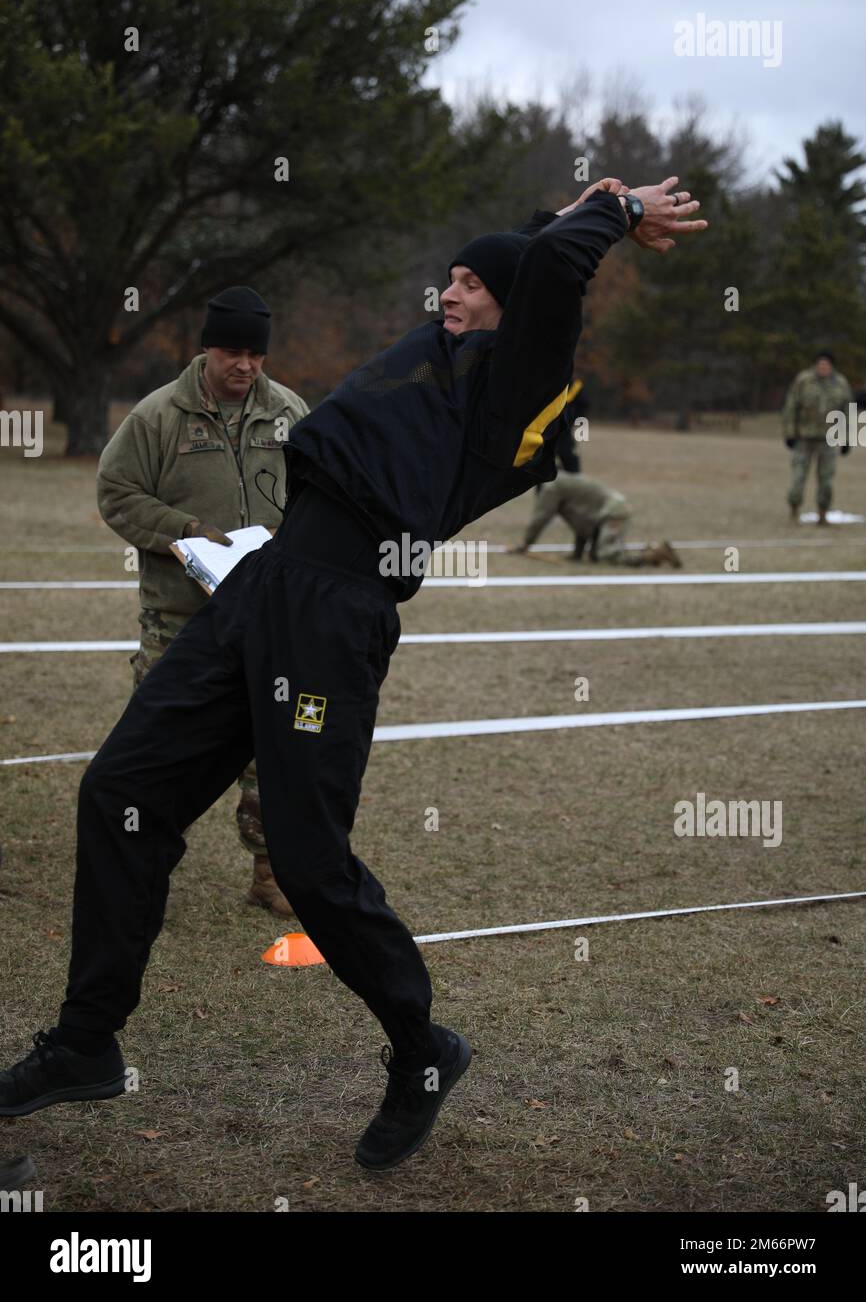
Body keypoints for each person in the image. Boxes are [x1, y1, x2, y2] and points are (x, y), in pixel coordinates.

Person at [0, 175, 707, 1170]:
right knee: (121, 791)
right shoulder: (463, 346)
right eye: (448, 277)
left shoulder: (516, 381)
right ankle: (85, 1040)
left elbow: (548, 268)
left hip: (337, 610)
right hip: (269, 577)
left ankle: (422, 1050)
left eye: (468, 285)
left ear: (514, 312)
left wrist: (617, 212)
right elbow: (533, 251)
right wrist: (581, 203)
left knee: (306, 858)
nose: (448, 294)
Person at [97, 287, 309, 916]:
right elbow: (116, 491)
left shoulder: (291, 413)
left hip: (267, 619)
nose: (244, 365)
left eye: (255, 354)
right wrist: (184, 532)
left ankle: (273, 873)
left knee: (276, 750)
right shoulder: (158, 416)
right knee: (162, 751)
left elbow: (319, 493)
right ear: (207, 349)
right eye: (232, 352)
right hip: (181, 621)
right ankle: (142, 864)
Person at [509, 470, 681, 566]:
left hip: (614, 513)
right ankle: (650, 552)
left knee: (608, 556)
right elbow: (581, 523)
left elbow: (541, 517)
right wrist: (577, 554)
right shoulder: (561, 480)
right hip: (608, 512)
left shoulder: (551, 488)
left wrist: (525, 544)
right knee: (597, 556)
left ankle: (656, 554)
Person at [781, 350, 853, 524]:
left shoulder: (841, 383)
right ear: (816, 365)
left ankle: (823, 513)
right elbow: (791, 407)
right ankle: (794, 510)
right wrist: (790, 433)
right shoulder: (804, 380)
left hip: (828, 440)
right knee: (798, 477)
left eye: (826, 364)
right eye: (820, 364)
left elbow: (847, 412)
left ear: (831, 366)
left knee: (826, 480)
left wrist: (847, 439)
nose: (823, 367)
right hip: (804, 438)